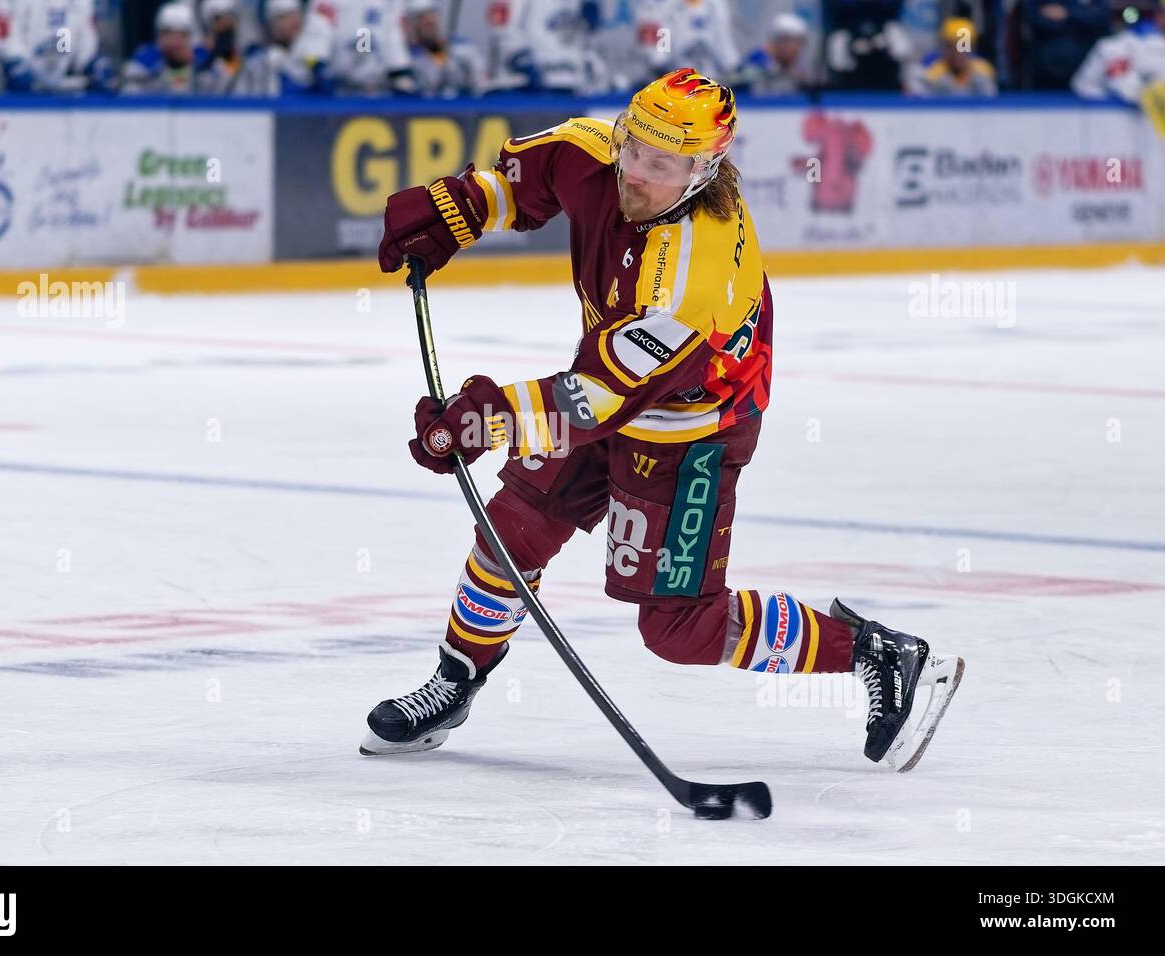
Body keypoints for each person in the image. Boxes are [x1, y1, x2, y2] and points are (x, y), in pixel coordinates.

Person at [366, 67, 965, 772]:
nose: (636, 172)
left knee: (679, 627)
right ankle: (456, 680)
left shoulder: (692, 278)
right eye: (634, 146)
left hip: (693, 426)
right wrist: (456, 207)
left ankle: (878, 653)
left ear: (705, 170)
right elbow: (520, 184)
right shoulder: (592, 148)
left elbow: (592, 401)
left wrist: (482, 420)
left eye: (661, 163)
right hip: (608, 388)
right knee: (512, 527)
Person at [0, 0, 114, 93]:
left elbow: (86, 45)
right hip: (6, 91)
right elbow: (1, 37)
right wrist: (15, 61)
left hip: (58, 89)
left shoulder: (81, 3)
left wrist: (92, 63)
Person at [296, 0, 418, 94]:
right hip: (338, 83)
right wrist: (317, 65)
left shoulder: (387, 3)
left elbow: (392, 32)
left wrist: (400, 70)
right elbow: (319, 27)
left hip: (379, 84)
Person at [1072, 1, 1165, 101]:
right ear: (1158, 14)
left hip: (1144, 109)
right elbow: (1124, 86)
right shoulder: (1123, 43)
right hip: (1096, 109)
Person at [634, 0, 741, 84]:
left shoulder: (715, 6)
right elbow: (661, 49)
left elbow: (724, 43)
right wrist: (660, 62)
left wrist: (733, 66)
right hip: (677, 79)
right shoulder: (668, 8)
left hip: (712, 78)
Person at [120, 2, 212, 94]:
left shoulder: (205, 58)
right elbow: (128, 86)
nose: (174, 42)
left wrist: (191, 65)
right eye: (168, 33)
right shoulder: (145, 58)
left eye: (182, 35)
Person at [1021, 0, 1110, 90]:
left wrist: (1068, 13)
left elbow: (1099, 19)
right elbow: (1035, 18)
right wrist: (1080, 17)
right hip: (1046, 69)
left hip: (1087, 69)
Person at [405, 0, 486, 97]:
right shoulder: (407, 58)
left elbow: (481, 80)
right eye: (421, 17)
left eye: (431, 14)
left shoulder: (463, 47)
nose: (429, 20)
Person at [733, 11, 821, 93]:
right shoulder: (755, 63)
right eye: (793, 43)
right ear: (780, 41)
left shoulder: (792, 67)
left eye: (800, 44)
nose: (797, 50)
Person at [908, 16, 998, 95]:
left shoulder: (983, 72)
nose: (957, 53)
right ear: (943, 47)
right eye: (951, 46)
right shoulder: (928, 73)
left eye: (963, 46)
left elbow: (992, 106)